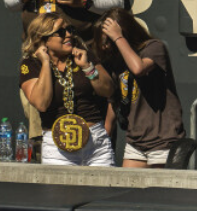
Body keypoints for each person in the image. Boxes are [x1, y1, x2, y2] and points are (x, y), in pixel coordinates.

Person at [19, 12, 114, 166]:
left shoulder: (84, 54)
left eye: (70, 29)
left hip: (95, 144)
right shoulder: (32, 64)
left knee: (105, 183)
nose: (69, 35)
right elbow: (41, 103)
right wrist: (45, 63)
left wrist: (87, 67)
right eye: (61, 32)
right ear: (44, 39)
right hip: (58, 149)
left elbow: (108, 90)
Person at [94, 8, 184, 168]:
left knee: (160, 185)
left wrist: (118, 37)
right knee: (127, 183)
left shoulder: (154, 48)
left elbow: (138, 68)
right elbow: (114, 101)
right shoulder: (118, 60)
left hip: (163, 139)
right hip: (136, 141)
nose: (106, 46)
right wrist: (105, 135)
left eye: (108, 41)